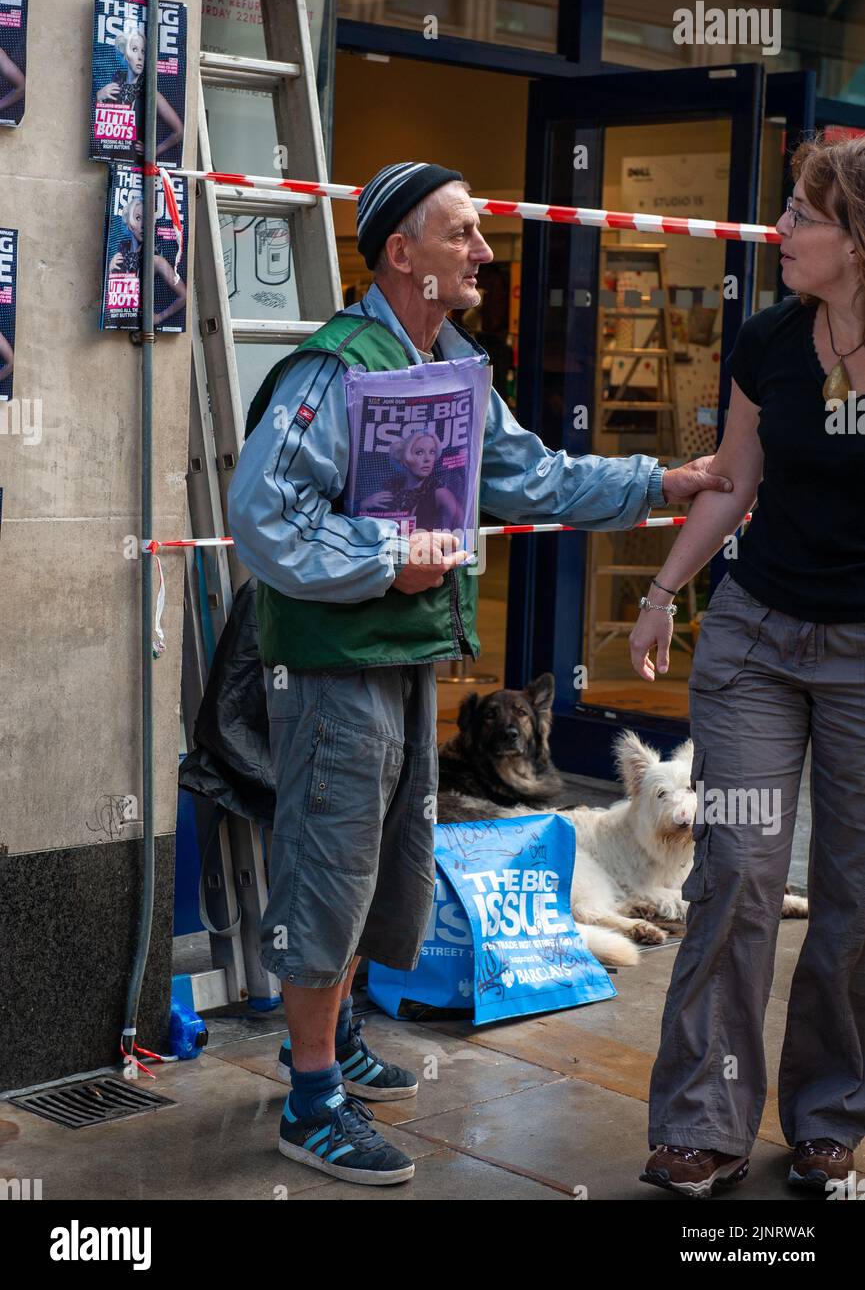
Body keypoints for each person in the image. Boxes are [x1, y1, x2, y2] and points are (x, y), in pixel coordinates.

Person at [228, 160, 733, 1188]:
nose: (484, 252)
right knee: (329, 871)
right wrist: (382, 557)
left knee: (381, 862)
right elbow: (262, 513)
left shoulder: (448, 365)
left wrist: (658, 480)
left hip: (402, 659)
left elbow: (534, 474)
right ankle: (312, 1102)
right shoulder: (331, 371)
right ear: (402, 253)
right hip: (333, 669)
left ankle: (326, 1047)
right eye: (461, 233)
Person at [629, 131, 865, 1199]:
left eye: (802, 218)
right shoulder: (769, 337)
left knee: (855, 896)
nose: (778, 233)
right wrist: (661, 588)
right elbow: (730, 480)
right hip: (756, 639)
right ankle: (703, 1121)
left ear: (856, 239)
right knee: (738, 874)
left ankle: (827, 1119)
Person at [96, 25, 184, 161]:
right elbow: (96, 133)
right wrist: (98, 98)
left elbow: (179, 131)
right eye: (135, 50)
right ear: (125, 53)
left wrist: (152, 152)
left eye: (143, 52)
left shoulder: (151, 94)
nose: (140, 57)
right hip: (107, 164)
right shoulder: (110, 88)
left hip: (134, 169)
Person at [108, 191, 186, 327]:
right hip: (116, 325)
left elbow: (184, 296)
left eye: (147, 219)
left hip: (138, 327)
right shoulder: (119, 255)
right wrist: (111, 271)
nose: (143, 225)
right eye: (138, 218)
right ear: (129, 223)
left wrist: (160, 317)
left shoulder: (155, 260)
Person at [359, 428, 462, 529]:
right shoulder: (389, 491)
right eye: (419, 452)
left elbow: (463, 527)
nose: (428, 459)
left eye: (432, 452)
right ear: (404, 459)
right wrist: (363, 506)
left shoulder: (441, 494)